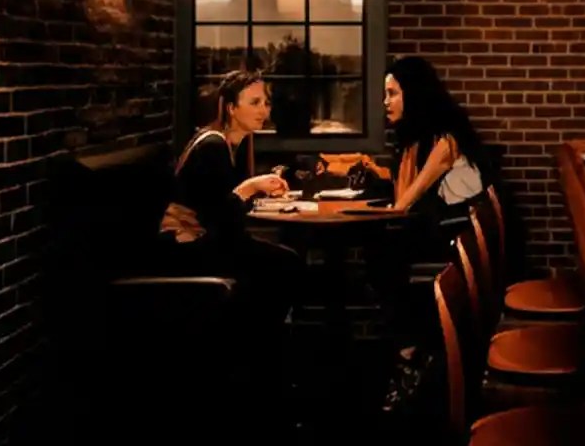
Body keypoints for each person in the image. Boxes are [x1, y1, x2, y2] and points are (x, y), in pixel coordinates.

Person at [321, 55, 493, 413]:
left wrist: (363, 207)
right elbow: (406, 194)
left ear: (413, 95)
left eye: (392, 94)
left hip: (457, 234)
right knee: (380, 250)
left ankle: (409, 348)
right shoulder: (419, 138)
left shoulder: (443, 140)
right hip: (443, 227)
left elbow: (405, 203)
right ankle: (410, 346)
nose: (385, 103)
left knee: (381, 250)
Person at [158, 69, 304, 333]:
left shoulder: (234, 145)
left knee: (284, 260)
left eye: (266, 103)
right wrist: (250, 188)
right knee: (285, 263)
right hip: (187, 248)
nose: (264, 110)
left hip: (209, 240)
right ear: (231, 108)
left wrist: (260, 190)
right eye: (254, 103)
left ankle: (259, 341)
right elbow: (220, 220)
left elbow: (223, 208)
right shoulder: (213, 145)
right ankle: (255, 344)